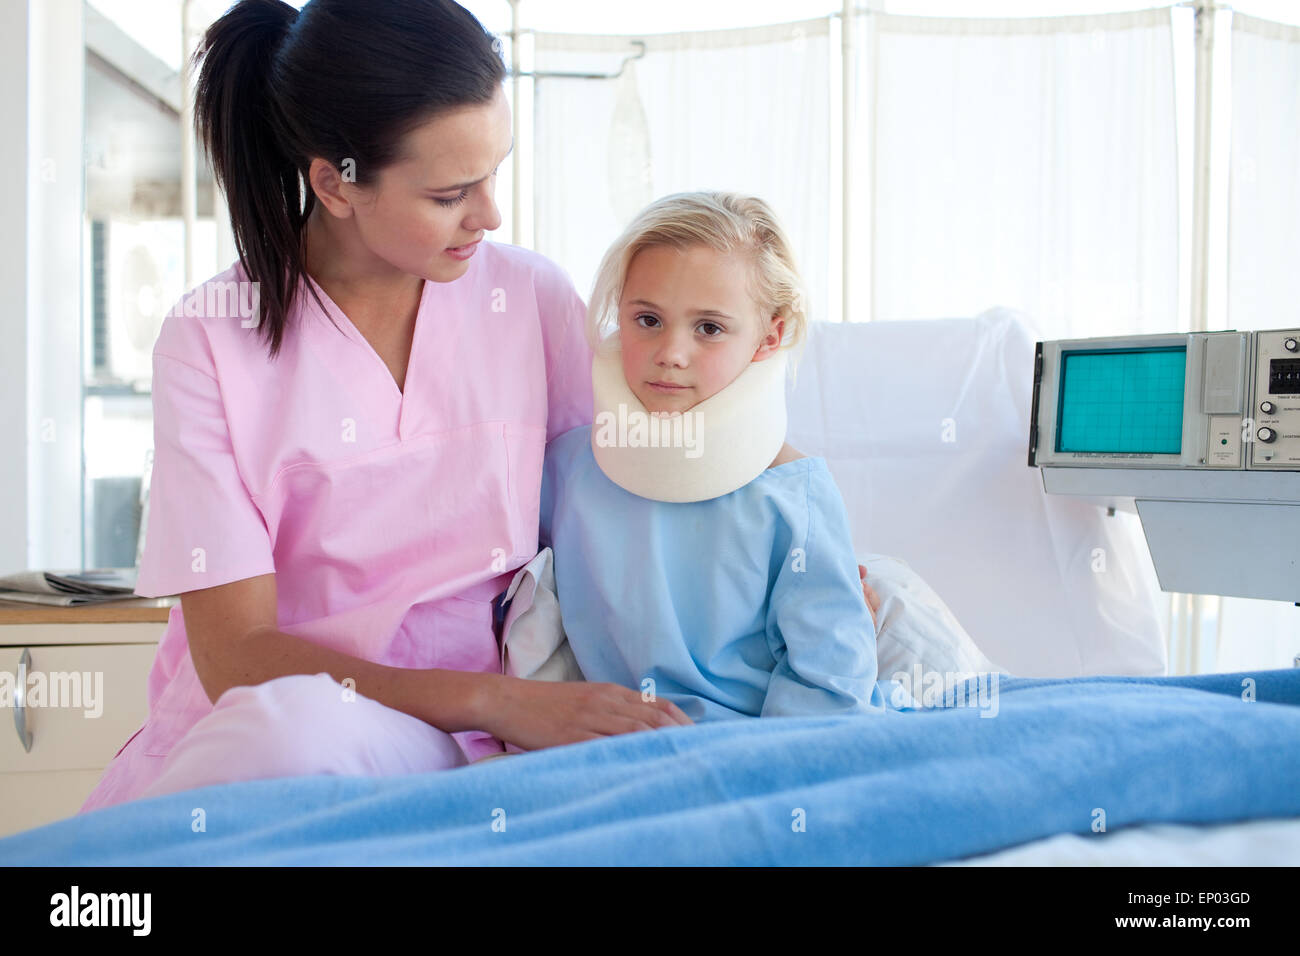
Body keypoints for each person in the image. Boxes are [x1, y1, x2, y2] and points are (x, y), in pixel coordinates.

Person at [79, 0, 695, 814]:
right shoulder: (210, 341)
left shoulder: (529, 299)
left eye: (494, 173)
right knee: (292, 738)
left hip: (481, 739)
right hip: (286, 732)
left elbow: (625, 491)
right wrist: (491, 702)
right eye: (450, 193)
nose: (490, 215)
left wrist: (791, 541)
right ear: (335, 183)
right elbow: (235, 656)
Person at [540, 191, 900, 721]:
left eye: (708, 328)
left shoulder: (794, 495)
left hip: (762, 753)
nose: (671, 353)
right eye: (647, 320)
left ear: (769, 337)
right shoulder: (566, 469)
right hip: (618, 747)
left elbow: (829, 690)